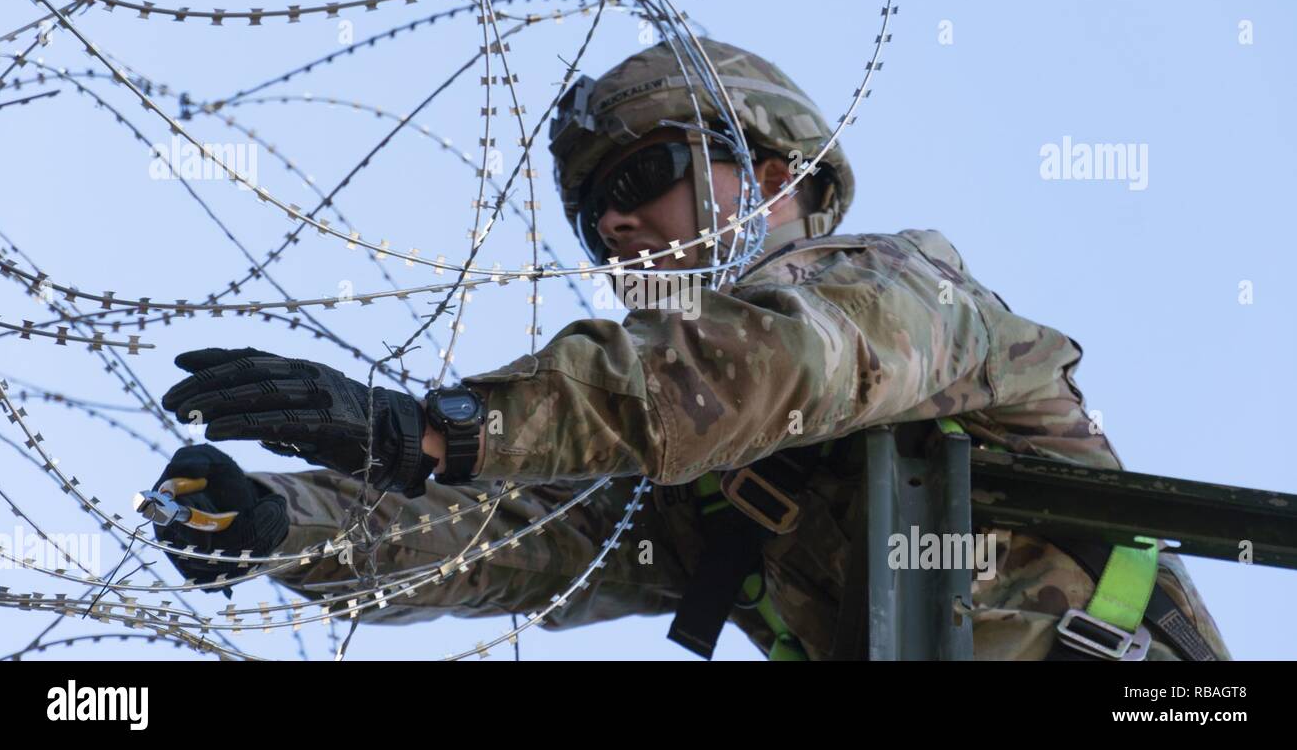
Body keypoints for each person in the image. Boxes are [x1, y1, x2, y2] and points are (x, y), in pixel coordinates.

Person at [153, 38, 1230, 660]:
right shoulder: (701, 488)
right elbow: (508, 540)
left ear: (768, 177)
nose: (615, 229)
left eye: (639, 179)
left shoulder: (910, 295)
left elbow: (783, 361)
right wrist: (280, 526)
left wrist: (444, 425)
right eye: (592, 220)